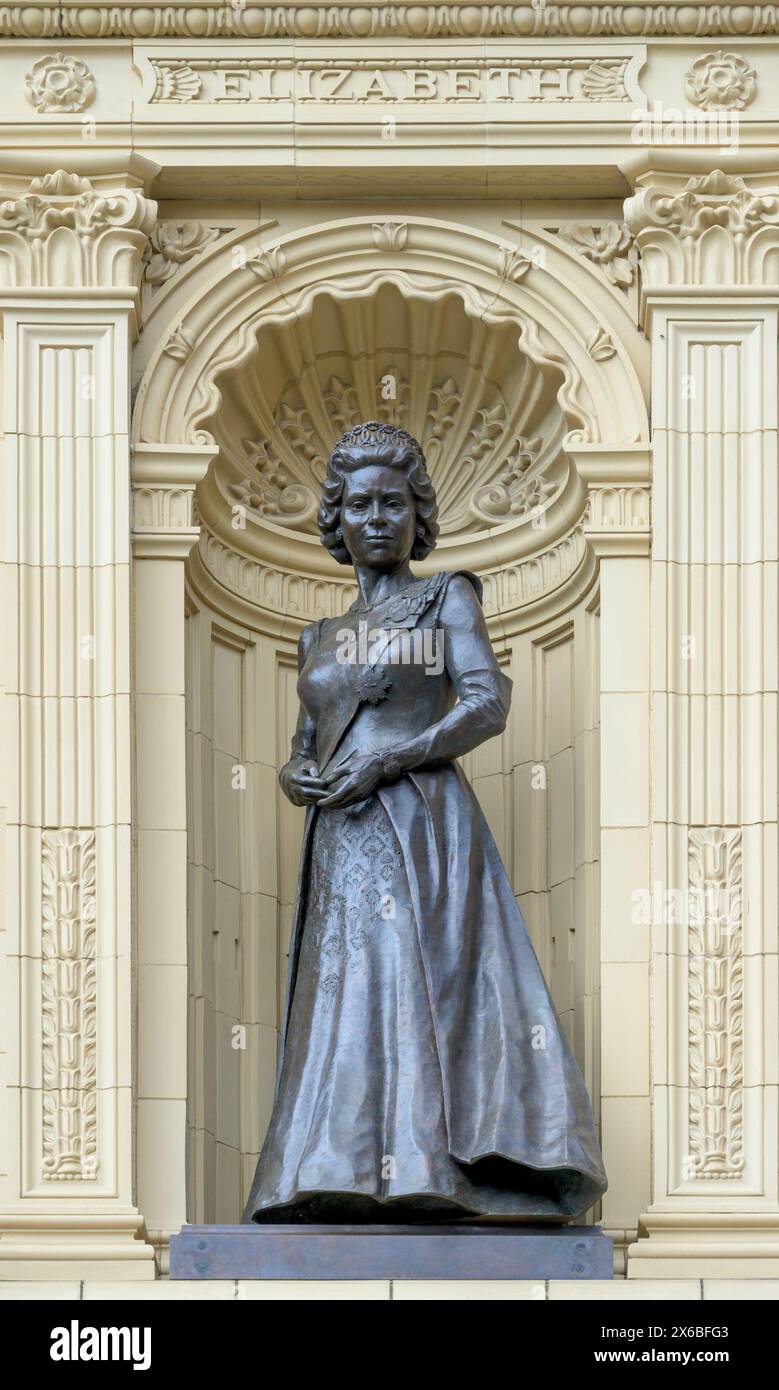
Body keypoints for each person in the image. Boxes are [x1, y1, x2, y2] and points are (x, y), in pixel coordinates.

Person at [243, 421, 607, 1223]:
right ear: (336, 520)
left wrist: (395, 758)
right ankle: (331, 1169)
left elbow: (486, 701)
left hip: (419, 822)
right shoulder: (319, 638)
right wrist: (293, 773)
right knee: (347, 993)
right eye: (360, 505)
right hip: (341, 834)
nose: (376, 519)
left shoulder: (446, 598)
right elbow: (305, 745)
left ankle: (438, 1173)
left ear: (418, 515)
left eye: (392, 504)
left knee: (417, 987)